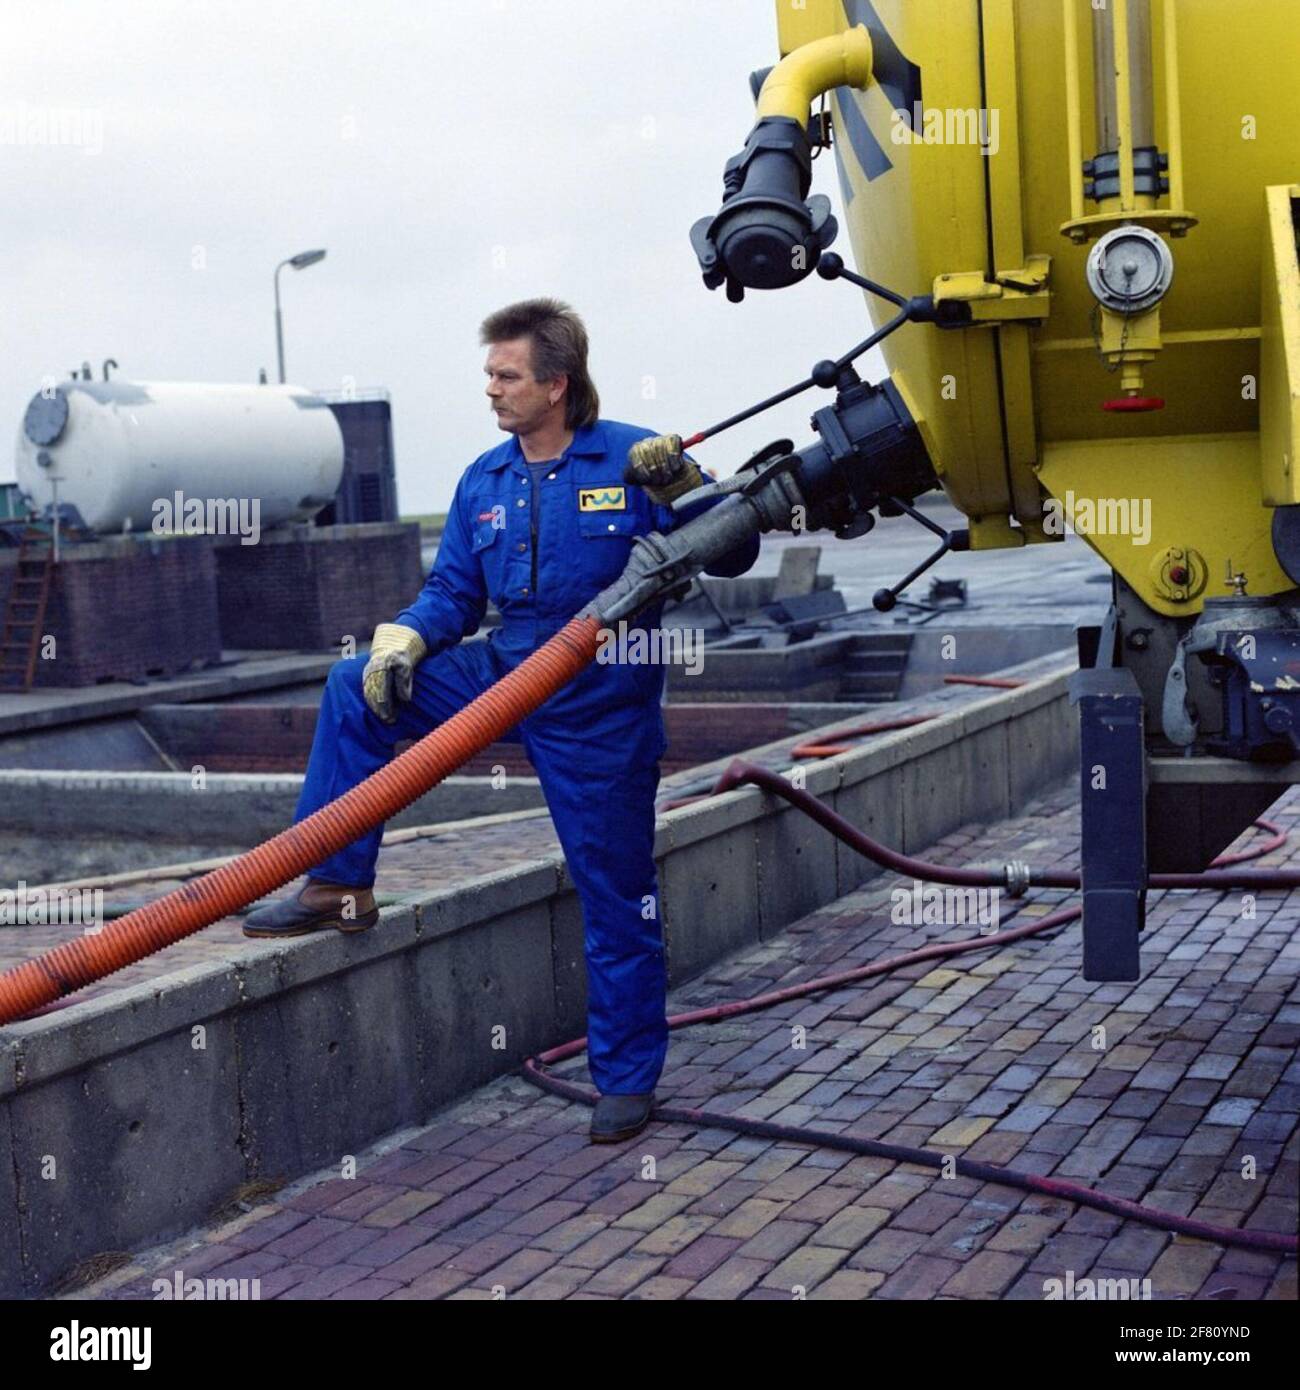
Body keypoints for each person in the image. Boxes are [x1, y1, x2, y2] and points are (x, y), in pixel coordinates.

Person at [243, 297, 760, 1142]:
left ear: (557, 384)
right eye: (488, 373)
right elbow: (455, 590)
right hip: (506, 664)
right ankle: (340, 883)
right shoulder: (484, 477)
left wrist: (686, 489)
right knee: (352, 686)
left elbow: (735, 551)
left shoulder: (635, 456)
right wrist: (407, 637)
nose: (490, 389)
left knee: (616, 896)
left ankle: (626, 1079)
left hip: (600, 698)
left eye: (506, 375)